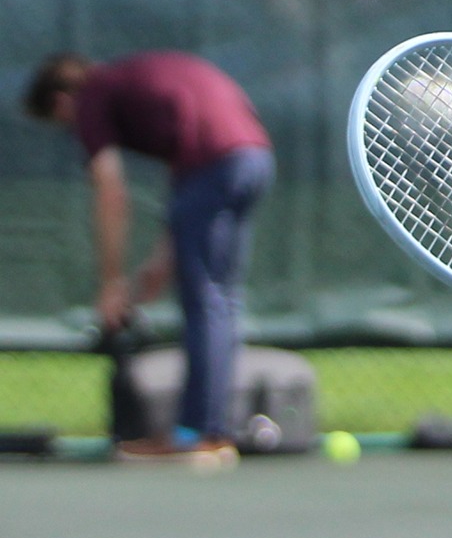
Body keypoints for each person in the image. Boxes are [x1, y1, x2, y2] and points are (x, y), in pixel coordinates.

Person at [23, 50, 275, 464]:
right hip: (254, 156)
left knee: (206, 300)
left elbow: (110, 190)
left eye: (63, 122)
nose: (73, 128)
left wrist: (111, 283)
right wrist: (163, 257)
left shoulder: (92, 97)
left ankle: (200, 434)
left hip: (218, 163)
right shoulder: (136, 80)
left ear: (61, 102)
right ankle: (211, 430)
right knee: (222, 298)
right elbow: (188, 167)